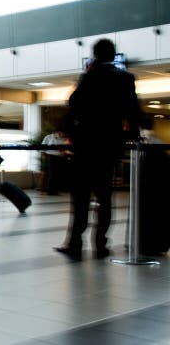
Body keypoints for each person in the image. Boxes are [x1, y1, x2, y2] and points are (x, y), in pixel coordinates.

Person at [55, 38, 141, 260]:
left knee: (81, 197)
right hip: (109, 145)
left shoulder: (90, 76)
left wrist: (67, 130)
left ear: (95, 54)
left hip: (86, 145)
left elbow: (73, 103)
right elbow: (132, 109)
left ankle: (75, 243)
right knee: (105, 196)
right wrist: (132, 136)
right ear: (113, 55)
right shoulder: (125, 78)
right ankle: (101, 245)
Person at [41, 128, 70, 195]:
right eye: (60, 133)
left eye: (62, 133)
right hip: (50, 156)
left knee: (59, 174)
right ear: (56, 132)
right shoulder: (49, 137)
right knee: (52, 174)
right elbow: (42, 147)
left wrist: (64, 151)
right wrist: (43, 156)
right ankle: (50, 191)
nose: (61, 134)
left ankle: (57, 190)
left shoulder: (64, 138)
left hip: (61, 157)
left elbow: (66, 148)